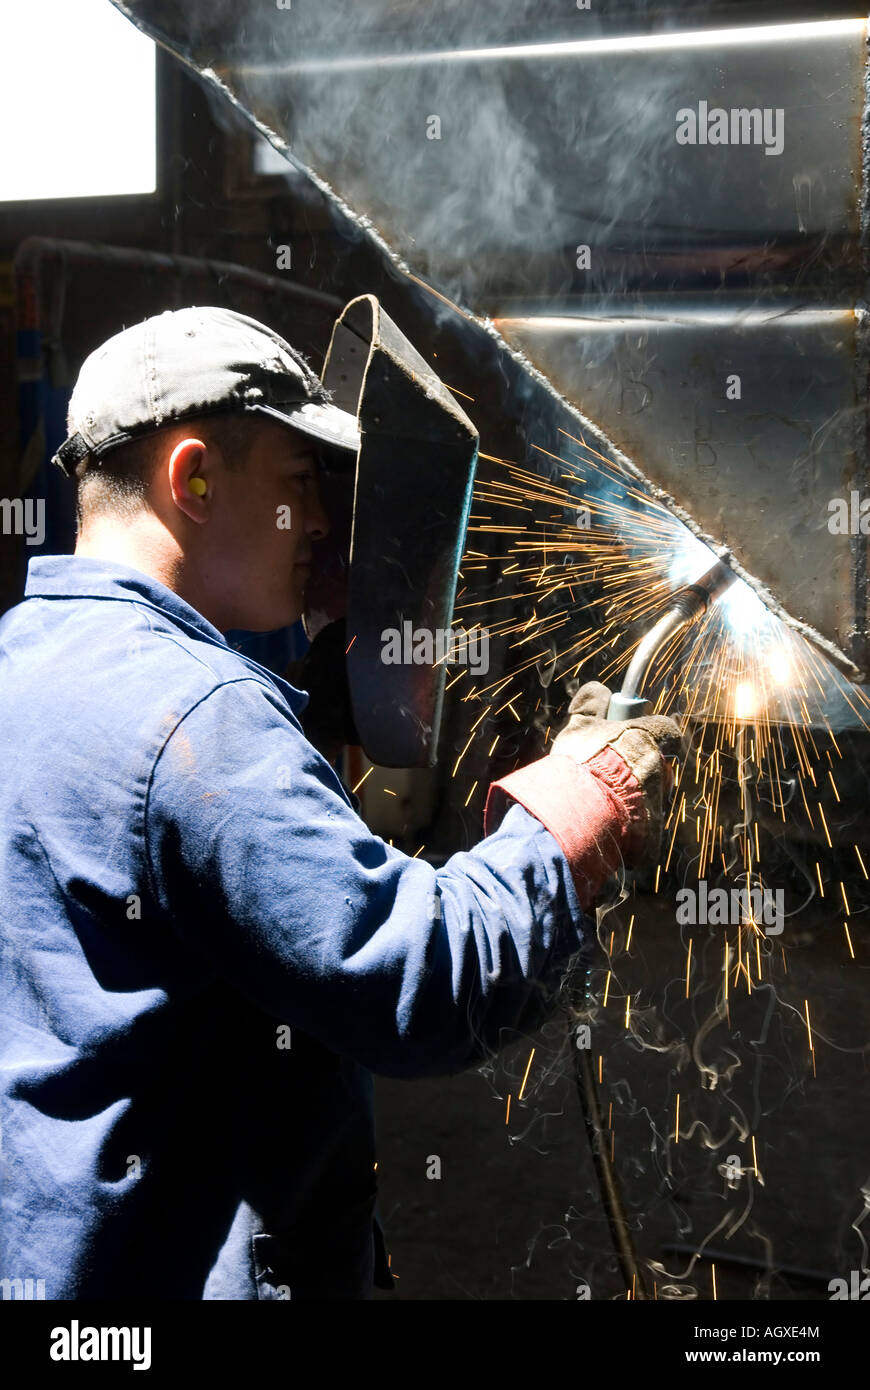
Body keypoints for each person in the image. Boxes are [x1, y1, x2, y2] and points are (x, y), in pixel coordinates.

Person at [0, 306, 680, 1301]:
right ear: (193, 478)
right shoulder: (205, 718)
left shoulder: (28, 655)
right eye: (295, 485)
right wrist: (583, 802)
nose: (321, 523)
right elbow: (420, 977)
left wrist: (308, 726)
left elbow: (164, 884)